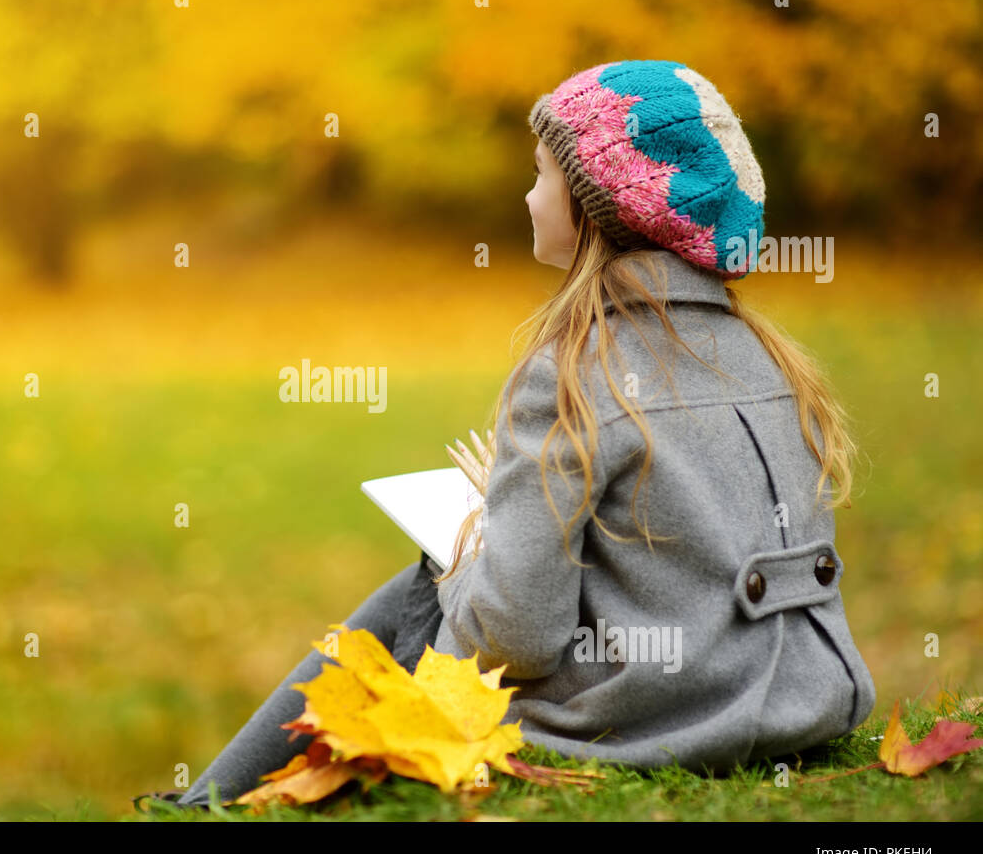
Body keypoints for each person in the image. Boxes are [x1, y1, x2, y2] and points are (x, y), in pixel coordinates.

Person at [150, 59, 876, 812]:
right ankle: (209, 803)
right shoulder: (771, 357)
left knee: (422, 590)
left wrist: (472, 548)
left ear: (594, 208)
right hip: (803, 696)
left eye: (539, 175)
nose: (527, 198)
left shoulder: (571, 374)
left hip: (671, 720)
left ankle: (209, 804)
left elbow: (518, 638)